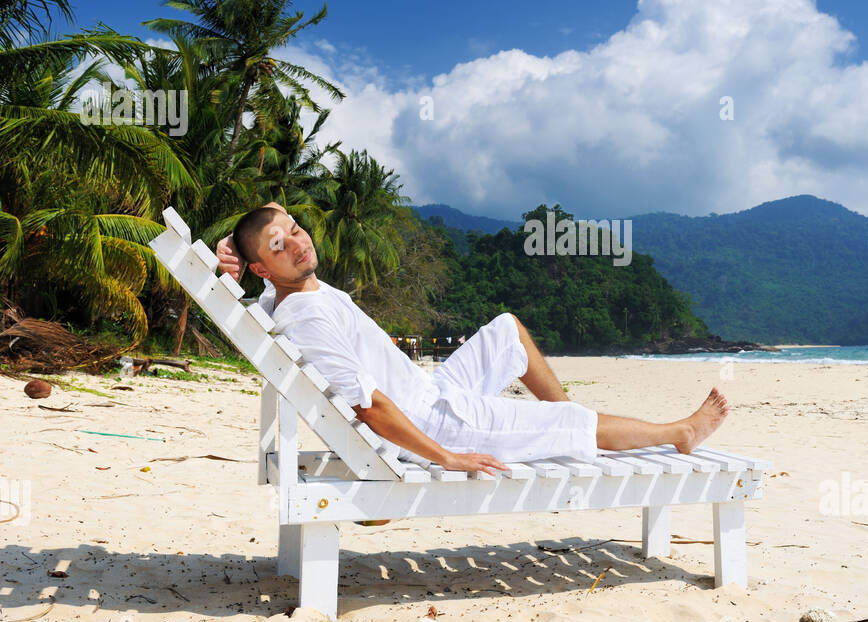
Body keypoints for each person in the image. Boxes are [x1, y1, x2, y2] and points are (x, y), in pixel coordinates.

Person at [216, 202, 729, 478]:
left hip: (433, 391)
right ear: (265, 266)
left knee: (507, 332)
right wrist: (448, 458)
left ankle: (559, 429)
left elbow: (270, 211)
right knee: (569, 421)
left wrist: (237, 248)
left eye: (297, 230)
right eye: (281, 246)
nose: (299, 243)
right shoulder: (305, 315)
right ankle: (676, 433)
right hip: (436, 424)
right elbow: (369, 408)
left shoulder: (285, 291)